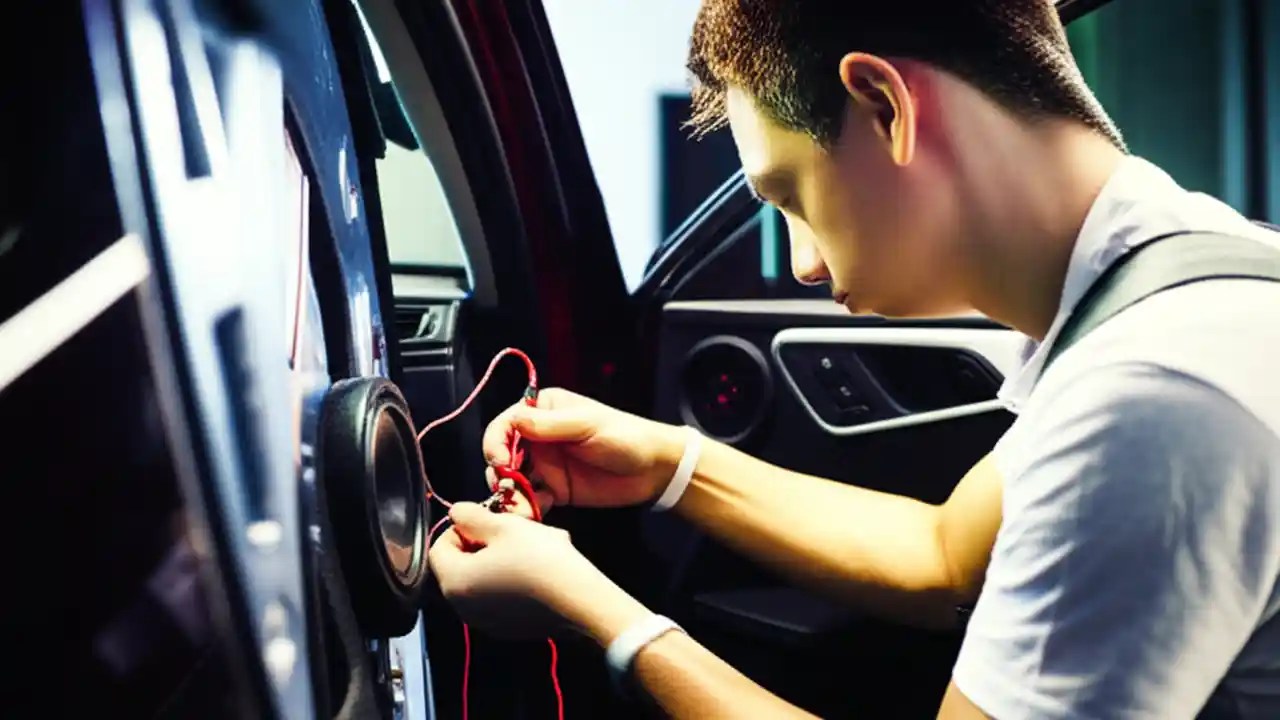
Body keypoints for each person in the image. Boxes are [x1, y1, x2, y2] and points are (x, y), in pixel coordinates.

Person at [428, 1, 1280, 717]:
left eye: (789, 195)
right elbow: (943, 554)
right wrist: (663, 462)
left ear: (883, 105)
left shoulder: (1152, 395)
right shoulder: (1184, 281)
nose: (801, 261)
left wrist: (584, 605)